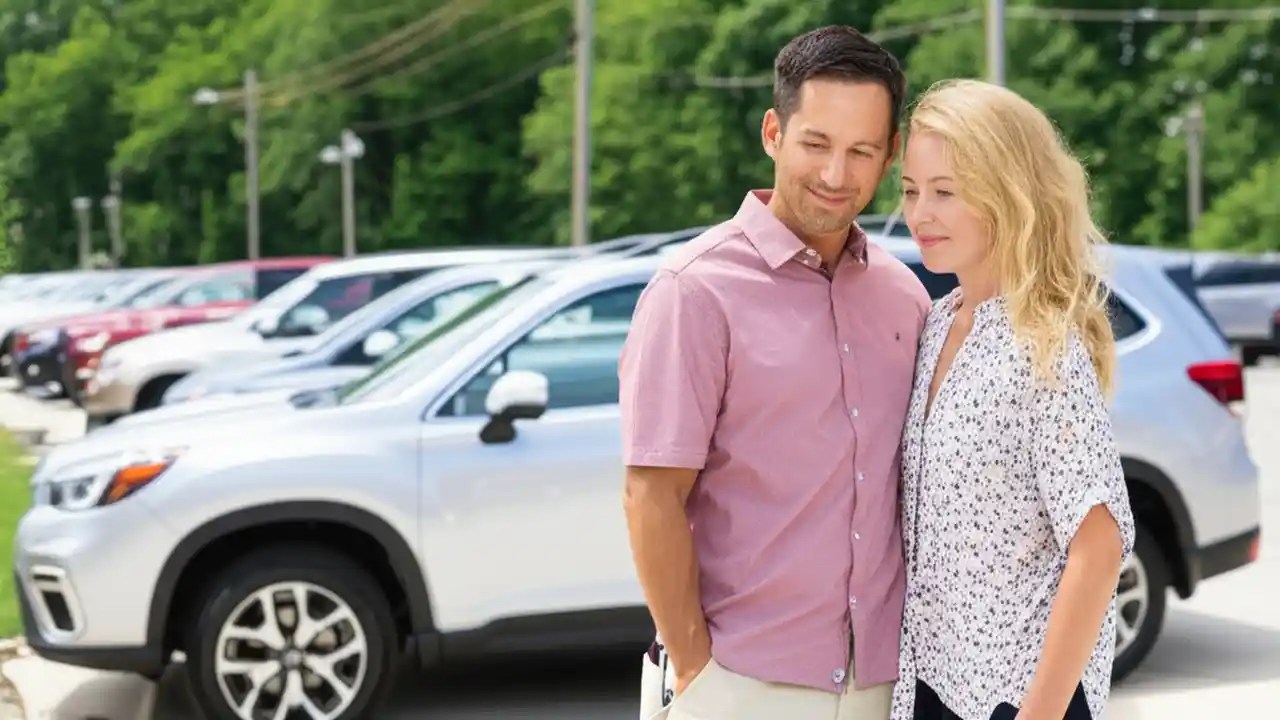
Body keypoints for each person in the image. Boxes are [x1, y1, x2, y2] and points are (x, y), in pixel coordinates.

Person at [619, 25, 931, 720]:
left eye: (861, 152)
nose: (835, 174)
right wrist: (700, 674)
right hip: (741, 685)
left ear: (888, 159)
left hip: (881, 684)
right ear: (772, 132)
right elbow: (651, 495)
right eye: (816, 144)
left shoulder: (903, 295)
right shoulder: (693, 291)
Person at [890, 78, 1137, 720]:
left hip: (1016, 694)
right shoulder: (939, 321)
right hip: (933, 681)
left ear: (1007, 194)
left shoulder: (1044, 343)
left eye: (945, 192)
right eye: (912, 191)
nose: (921, 215)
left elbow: (1100, 541)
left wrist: (1040, 713)